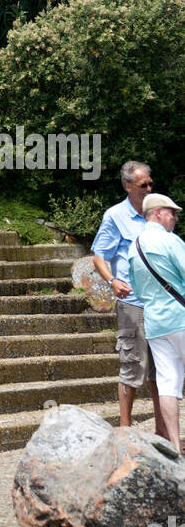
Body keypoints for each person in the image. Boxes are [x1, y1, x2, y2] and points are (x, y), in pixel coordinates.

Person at [92, 161, 168, 437]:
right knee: (132, 366)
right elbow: (99, 256)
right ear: (128, 186)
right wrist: (112, 281)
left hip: (161, 304)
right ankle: (124, 431)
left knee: (162, 370)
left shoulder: (158, 213)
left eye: (150, 183)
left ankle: (164, 433)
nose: (149, 188)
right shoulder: (115, 216)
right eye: (143, 185)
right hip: (133, 303)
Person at [128, 194, 185, 451]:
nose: (175, 217)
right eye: (172, 212)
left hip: (156, 324)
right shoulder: (169, 240)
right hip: (181, 318)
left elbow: (138, 290)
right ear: (159, 213)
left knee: (167, 383)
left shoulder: (134, 246)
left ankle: (174, 444)